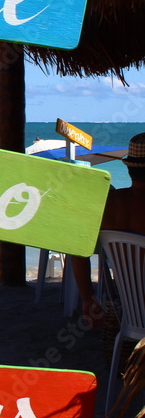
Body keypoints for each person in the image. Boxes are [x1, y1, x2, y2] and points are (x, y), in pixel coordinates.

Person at [72, 133, 145, 326]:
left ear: (129, 168)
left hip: (129, 311)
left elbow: (78, 252)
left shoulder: (106, 204)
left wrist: (88, 298)